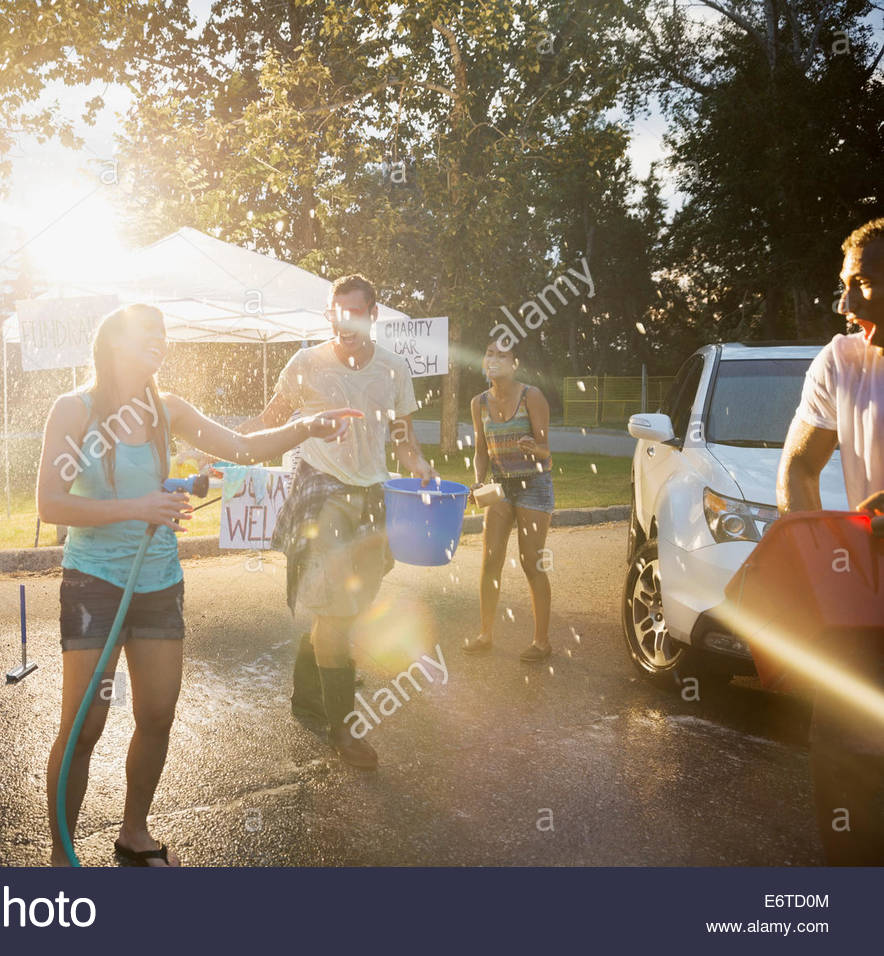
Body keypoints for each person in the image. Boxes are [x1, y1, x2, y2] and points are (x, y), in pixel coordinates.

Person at [37, 303, 356, 866]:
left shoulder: (168, 411)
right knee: (84, 723)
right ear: (114, 343)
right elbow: (51, 503)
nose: (159, 340)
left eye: (163, 333)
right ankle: (63, 856)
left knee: (158, 713)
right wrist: (141, 505)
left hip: (159, 582)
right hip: (93, 583)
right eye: (147, 333)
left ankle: (134, 833)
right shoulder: (74, 411)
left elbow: (245, 447)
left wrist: (306, 426)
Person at [240, 274, 437, 770]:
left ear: (373, 315)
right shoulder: (305, 364)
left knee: (347, 608)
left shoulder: (393, 370)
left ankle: (307, 696)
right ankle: (344, 729)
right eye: (337, 311)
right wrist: (215, 449)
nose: (345, 322)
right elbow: (269, 421)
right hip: (321, 495)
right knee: (336, 611)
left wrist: (418, 466)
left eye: (355, 312)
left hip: (373, 497)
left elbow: (402, 435)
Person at [777, 217, 884, 865]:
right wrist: (819, 577)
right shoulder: (842, 361)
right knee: (847, 768)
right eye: (845, 286)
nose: (846, 304)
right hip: (864, 600)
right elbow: (799, 469)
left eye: (865, 283)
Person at [464, 338, 554, 662]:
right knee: (491, 560)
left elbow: (547, 454)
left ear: (515, 363)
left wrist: (534, 447)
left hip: (534, 485)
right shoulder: (479, 403)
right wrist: (478, 481)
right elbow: (480, 451)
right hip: (501, 486)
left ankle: (542, 642)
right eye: (489, 353)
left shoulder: (533, 396)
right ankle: (485, 634)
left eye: (503, 355)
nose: (495, 359)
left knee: (532, 563)